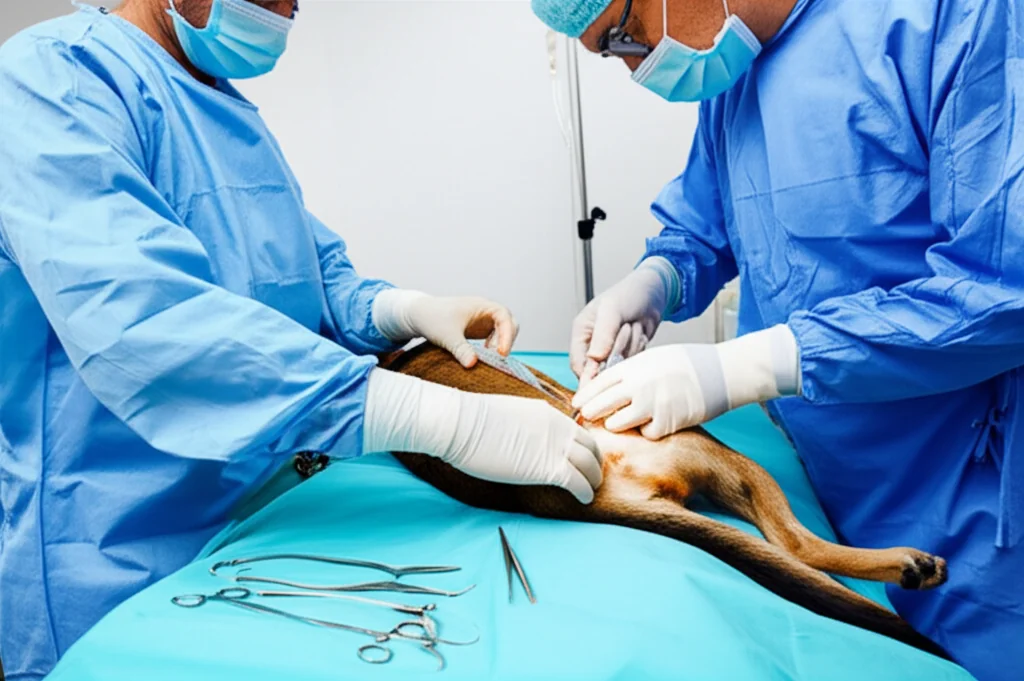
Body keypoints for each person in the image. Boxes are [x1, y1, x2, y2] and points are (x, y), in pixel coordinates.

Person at [0, 1, 602, 678]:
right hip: (114, 551)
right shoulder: (54, 80)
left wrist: (400, 309)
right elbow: (146, 325)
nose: (288, 12)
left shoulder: (226, 110)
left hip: (257, 517)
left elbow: (302, 275)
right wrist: (437, 417)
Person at [531, 0, 1023, 679]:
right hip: (812, 475)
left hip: (965, 502)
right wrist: (653, 282)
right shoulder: (737, 60)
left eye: (622, 37)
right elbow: (709, 223)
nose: (633, 66)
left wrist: (761, 361)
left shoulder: (953, 19)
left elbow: (1005, 285)